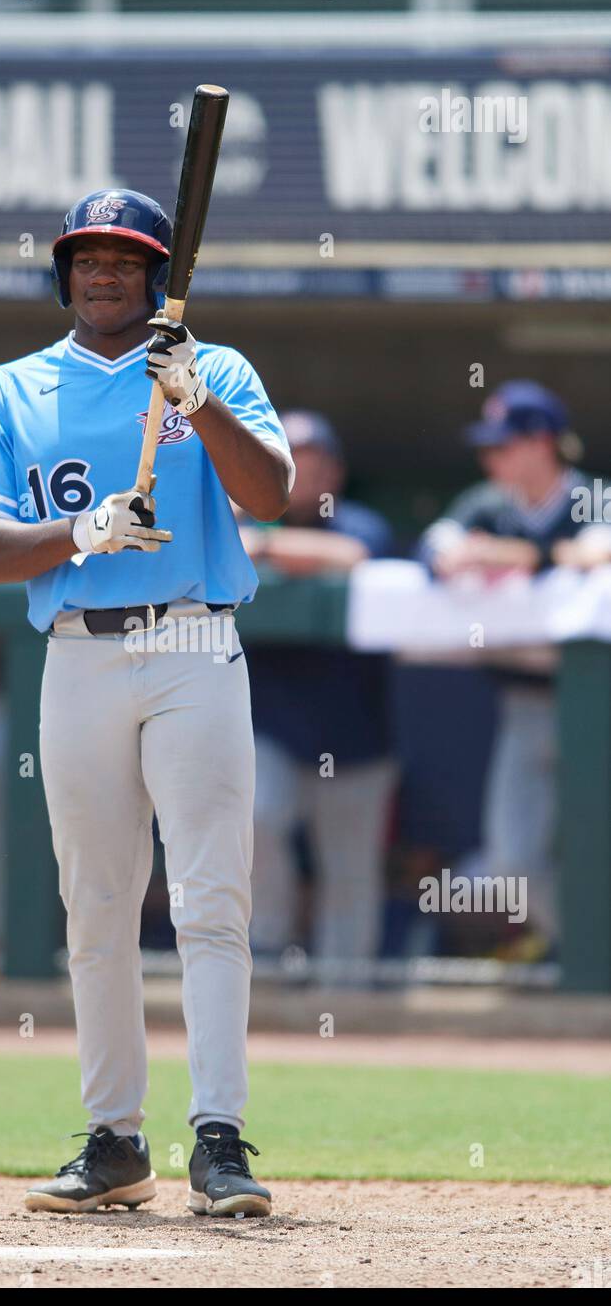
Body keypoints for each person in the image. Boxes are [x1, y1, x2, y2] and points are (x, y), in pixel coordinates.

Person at [0, 188, 294, 1218]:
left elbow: (268, 493)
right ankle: (114, 1140)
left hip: (191, 639)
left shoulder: (209, 368)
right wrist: (86, 531)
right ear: (64, 274)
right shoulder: (14, 387)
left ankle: (218, 1138)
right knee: (93, 905)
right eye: (86, 258)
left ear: (152, 274)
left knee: (209, 900)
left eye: (123, 259)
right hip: (78, 651)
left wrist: (191, 399)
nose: (103, 273)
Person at [420, 380, 602, 951]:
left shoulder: (591, 497)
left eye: (503, 445)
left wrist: (518, 556)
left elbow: (594, 551)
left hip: (596, 703)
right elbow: (437, 545)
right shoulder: (488, 504)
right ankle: (585, 955)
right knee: (513, 860)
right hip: (525, 703)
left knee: (595, 846)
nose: (490, 458)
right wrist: (455, 554)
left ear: (542, 442)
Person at [240, 411, 397, 976]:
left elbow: (356, 556)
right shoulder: (241, 516)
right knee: (255, 816)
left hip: (356, 738)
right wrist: (257, 535)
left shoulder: (357, 522)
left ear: (335, 471)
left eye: (313, 462)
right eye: (289, 461)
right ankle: (269, 950)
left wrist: (265, 545)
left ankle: (345, 993)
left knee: (350, 872)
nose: (302, 475)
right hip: (273, 728)